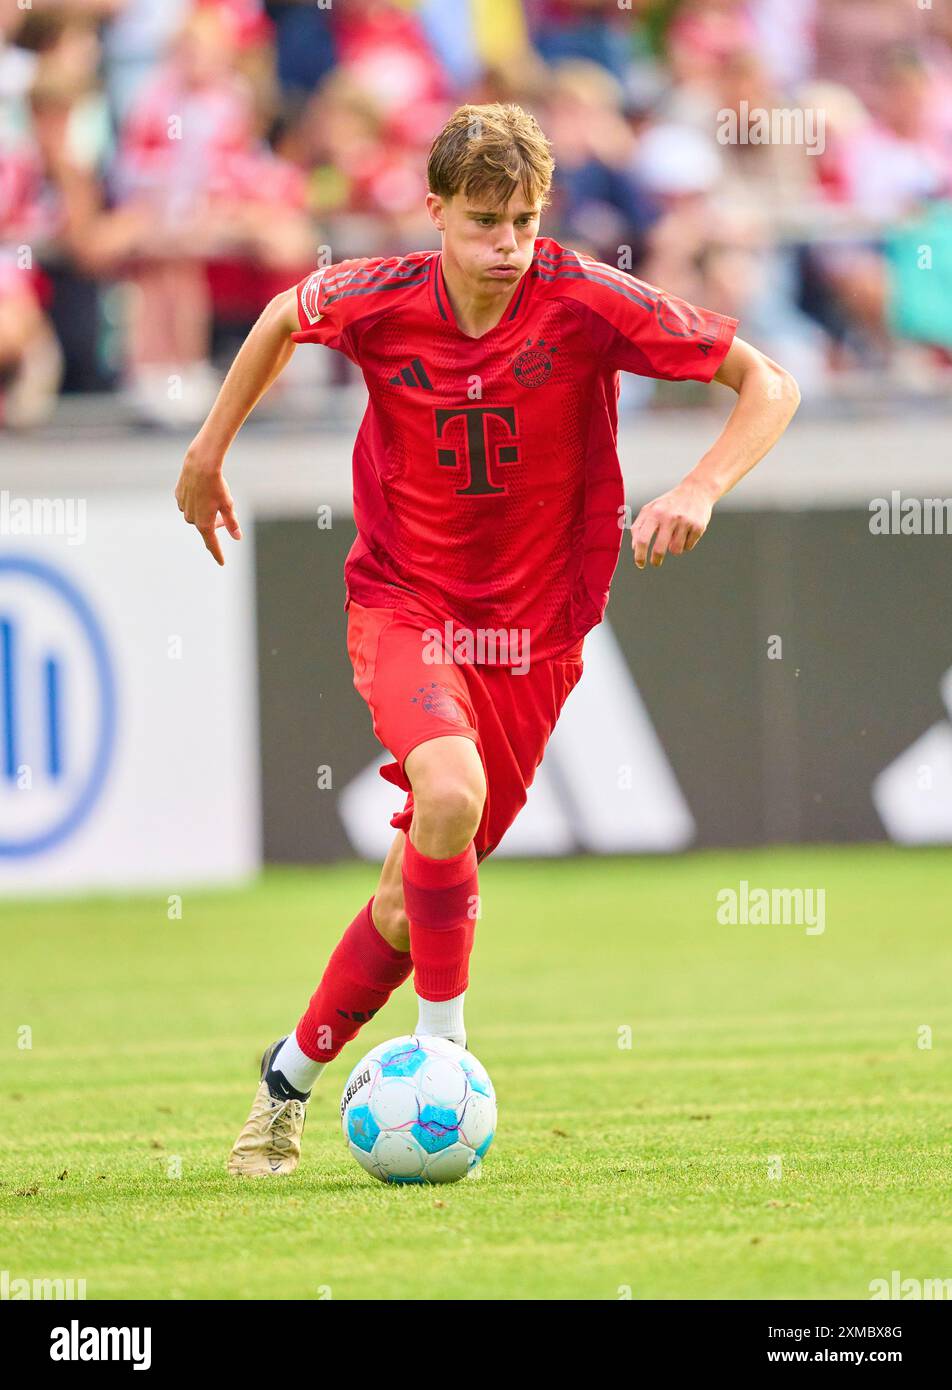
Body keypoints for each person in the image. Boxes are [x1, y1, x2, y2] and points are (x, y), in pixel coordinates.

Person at [173, 102, 800, 1176]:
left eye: (522, 219)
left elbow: (767, 382)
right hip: (405, 602)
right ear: (435, 212)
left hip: (537, 634)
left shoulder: (585, 298)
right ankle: (445, 1054)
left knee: (405, 895)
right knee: (450, 796)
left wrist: (699, 484)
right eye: (481, 221)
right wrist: (205, 451)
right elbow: (281, 314)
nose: (505, 246)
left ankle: (284, 1081)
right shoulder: (380, 296)